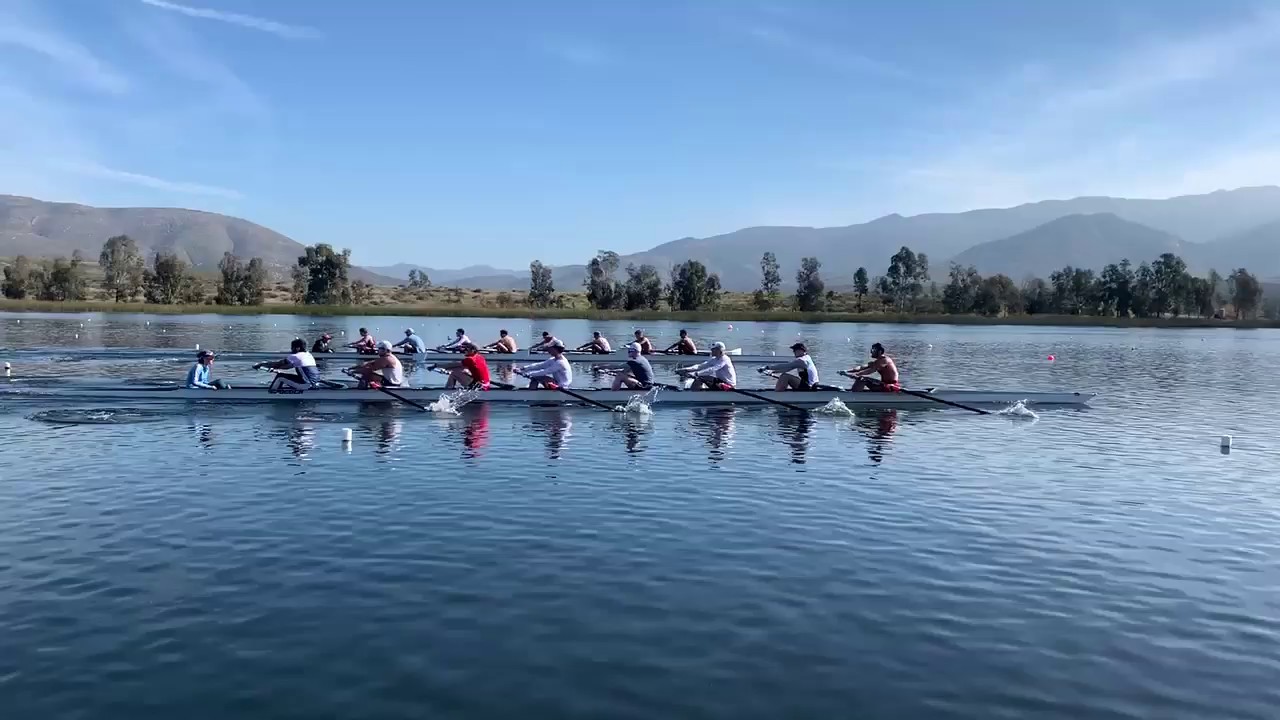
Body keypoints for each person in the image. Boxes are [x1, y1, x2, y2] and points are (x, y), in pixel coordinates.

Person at [254, 339, 322, 393]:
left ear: (297, 348)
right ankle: (280, 389)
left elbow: (278, 364)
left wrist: (261, 364)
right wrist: (276, 369)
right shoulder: (308, 355)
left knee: (280, 377)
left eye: (292, 348)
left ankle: (271, 394)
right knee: (283, 375)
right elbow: (287, 366)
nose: (291, 350)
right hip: (315, 383)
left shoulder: (296, 356)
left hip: (306, 385)